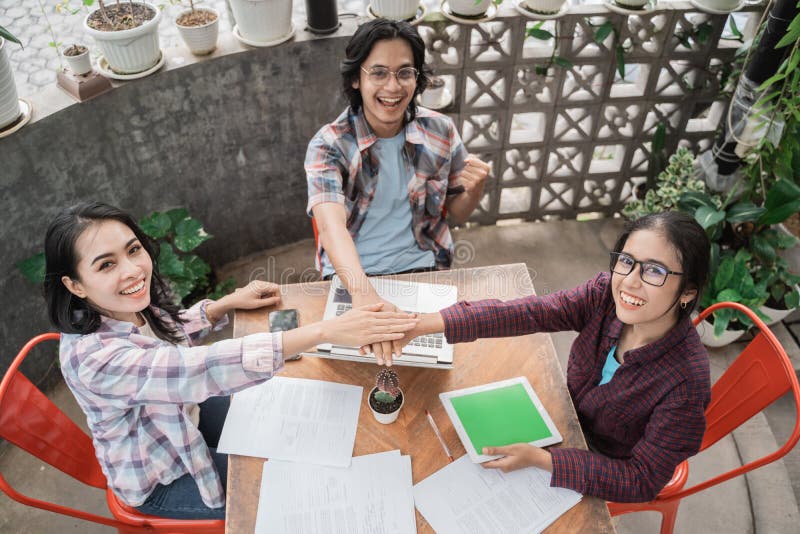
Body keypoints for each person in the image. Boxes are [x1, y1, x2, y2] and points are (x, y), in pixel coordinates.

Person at [43, 202, 418, 519]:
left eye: (133, 249)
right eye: (105, 265)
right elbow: (195, 369)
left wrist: (225, 304)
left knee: (293, 429)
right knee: (294, 500)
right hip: (164, 474)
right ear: (74, 285)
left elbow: (169, 336)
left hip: (188, 416)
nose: (132, 270)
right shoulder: (94, 359)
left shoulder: (121, 307)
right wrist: (325, 331)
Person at [380, 211, 712, 503]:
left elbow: (641, 480)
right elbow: (530, 312)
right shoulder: (603, 297)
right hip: (564, 417)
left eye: (654, 271)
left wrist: (544, 460)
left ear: (688, 292)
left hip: (607, 458)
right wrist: (421, 324)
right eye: (626, 261)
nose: (630, 282)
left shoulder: (686, 382)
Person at [306, 18, 491, 362]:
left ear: (417, 79)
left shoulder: (441, 130)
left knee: (435, 368)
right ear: (355, 79)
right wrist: (365, 298)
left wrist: (475, 190)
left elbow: (459, 214)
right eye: (378, 72)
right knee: (355, 369)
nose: (392, 87)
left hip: (425, 271)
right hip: (354, 279)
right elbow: (330, 228)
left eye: (404, 72)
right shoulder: (328, 145)